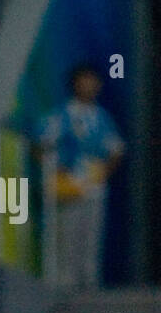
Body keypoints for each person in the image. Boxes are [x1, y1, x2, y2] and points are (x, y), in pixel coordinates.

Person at [37, 64, 124, 287]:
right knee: (66, 239)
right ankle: (63, 286)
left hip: (93, 189)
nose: (89, 85)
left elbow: (116, 150)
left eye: (93, 80)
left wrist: (103, 172)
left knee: (91, 241)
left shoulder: (102, 117)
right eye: (85, 80)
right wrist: (56, 169)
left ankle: (89, 286)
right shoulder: (62, 115)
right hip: (68, 187)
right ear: (75, 83)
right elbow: (40, 145)